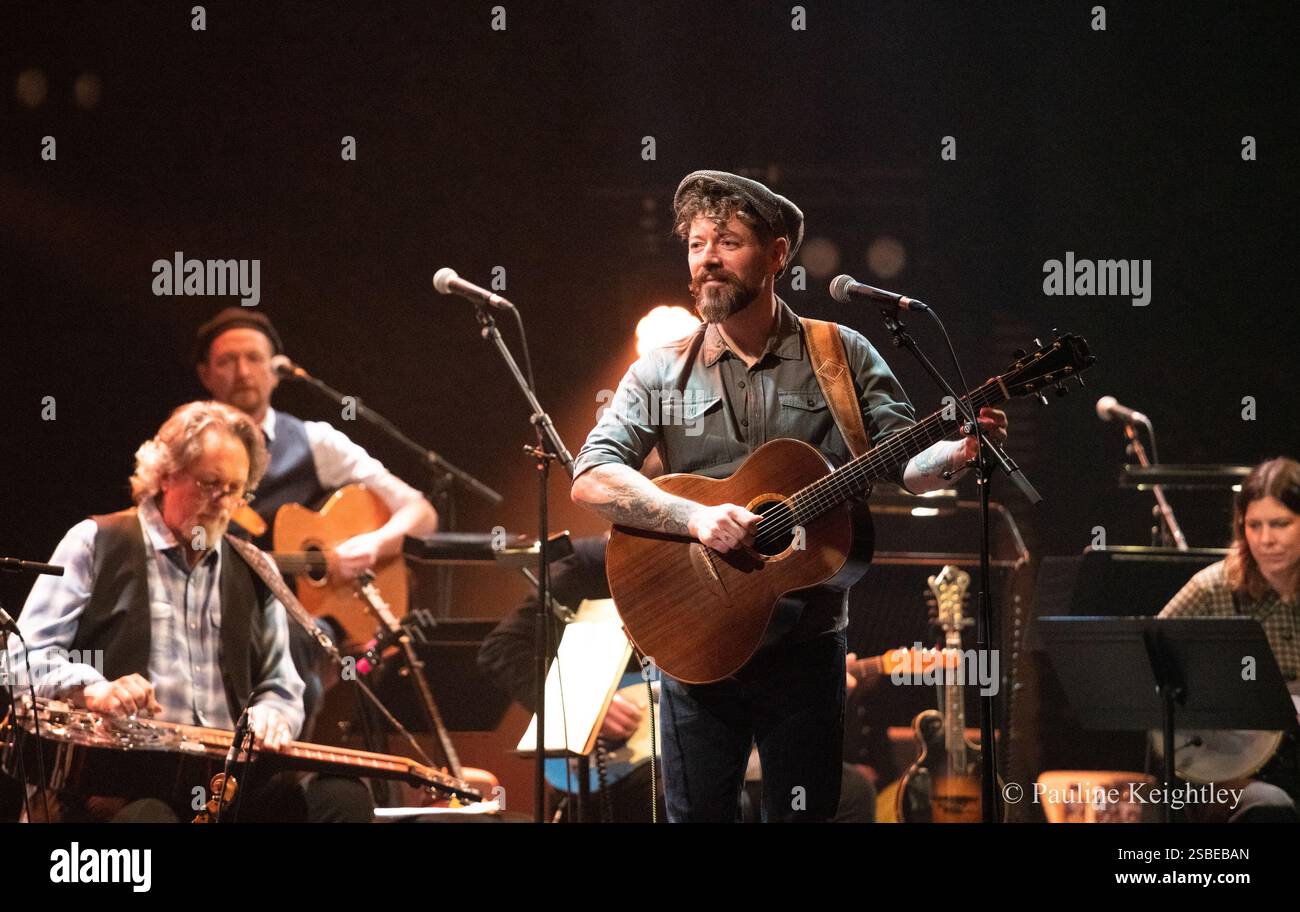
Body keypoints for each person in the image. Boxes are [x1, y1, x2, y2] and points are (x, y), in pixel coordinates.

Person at [570, 170, 1008, 821]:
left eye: (728, 241)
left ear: (777, 254)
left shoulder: (840, 353)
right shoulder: (662, 367)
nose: (707, 259)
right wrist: (694, 517)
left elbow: (905, 463)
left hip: (806, 642)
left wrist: (957, 455)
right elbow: (592, 476)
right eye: (695, 244)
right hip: (697, 639)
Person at [7, 400, 372, 821]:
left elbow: (281, 684)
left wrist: (272, 714)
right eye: (209, 484)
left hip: (227, 783)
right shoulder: (96, 542)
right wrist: (94, 688)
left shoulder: (255, 567)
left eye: (235, 490)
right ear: (165, 475)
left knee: (341, 797)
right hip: (118, 782)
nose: (222, 503)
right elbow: (19, 660)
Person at [194, 308, 438, 735]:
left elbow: (420, 513)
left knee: (292, 630)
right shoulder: (188, 446)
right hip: (211, 605)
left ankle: (280, 759)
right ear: (206, 375)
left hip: (303, 620)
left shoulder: (314, 440)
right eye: (226, 361)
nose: (243, 371)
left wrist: (371, 547)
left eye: (254, 358)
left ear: (276, 370)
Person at [1159, 456, 1300, 822]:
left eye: (1281, 524)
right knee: (1268, 807)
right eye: (1254, 525)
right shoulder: (1213, 587)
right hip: (1224, 766)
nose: (1266, 539)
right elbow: (1150, 657)